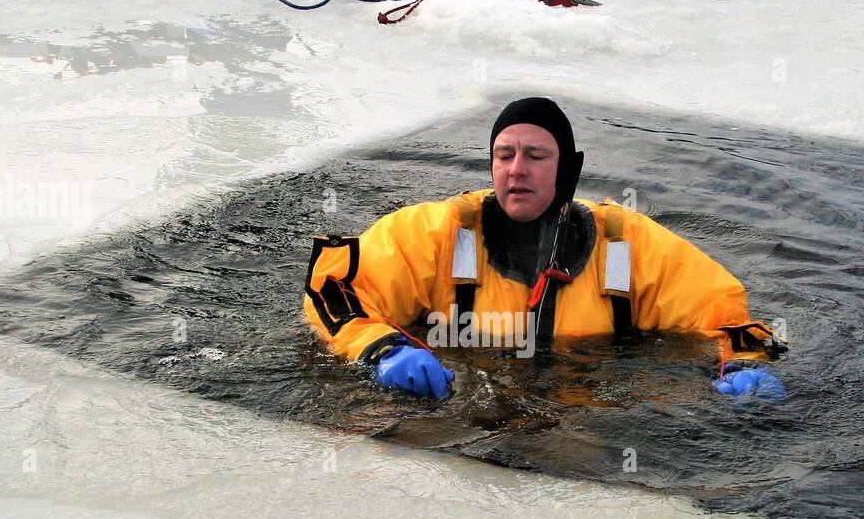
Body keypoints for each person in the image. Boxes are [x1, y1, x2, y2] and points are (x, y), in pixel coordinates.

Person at [303, 97, 785, 401]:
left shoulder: (627, 243)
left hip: (583, 407)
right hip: (455, 393)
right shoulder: (436, 232)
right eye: (504, 155)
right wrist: (381, 350)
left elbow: (728, 317)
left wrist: (745, 362)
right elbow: (334, 290)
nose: (517, 169)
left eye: (536, 156)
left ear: (567, 171)